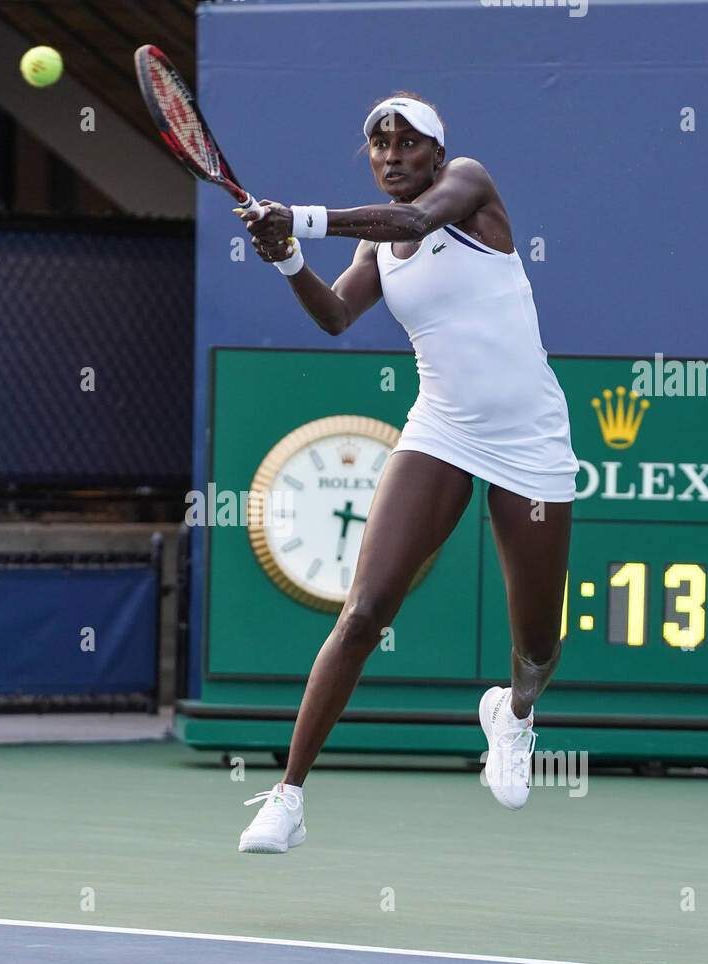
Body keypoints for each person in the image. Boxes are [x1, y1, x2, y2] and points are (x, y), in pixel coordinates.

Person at [236, 94, 577, 853]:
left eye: (407, 143)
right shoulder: (374, 251)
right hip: (442, 432)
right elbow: (332, 316)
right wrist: (289, 256)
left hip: (532, 441)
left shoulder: (469, 187)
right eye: (379, 144)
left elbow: (417, 222)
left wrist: (303, 219)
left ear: (435, 153)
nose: (392, 155)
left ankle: (514, 713)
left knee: (540, 647)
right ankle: (289, 796)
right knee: (363, 611)